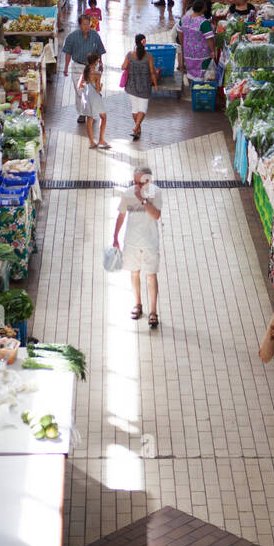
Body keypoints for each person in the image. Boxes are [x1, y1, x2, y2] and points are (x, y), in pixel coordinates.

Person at [112, 168, 162, 329]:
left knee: (151, 275)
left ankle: (153, 311)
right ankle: (138, 304)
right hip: (132, 241)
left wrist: (143, 200)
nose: (136, 186)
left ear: (148, 181)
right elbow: (121, 215)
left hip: (149, 241)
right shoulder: (128, 193)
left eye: (140, 182)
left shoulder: (156, 193)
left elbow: (156, 215)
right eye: (134, 182)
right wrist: (115, 237)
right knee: (134, 273)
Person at [62, 13, 105, 125]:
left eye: (88, 24)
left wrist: (101, 63)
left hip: (91, 68)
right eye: (84, 24)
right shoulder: (72, 37)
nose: (87, 26)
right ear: (80, 25)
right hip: (78, 67)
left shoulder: (95, 35)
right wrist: (66, 67)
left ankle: (90, 112)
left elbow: (100, 50)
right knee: (80, 91)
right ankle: (82, 113)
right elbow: (68, 53)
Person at [121, 34, 158, 141]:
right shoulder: (149, 56)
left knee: (135, 108)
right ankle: (136, 127)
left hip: (131, 85)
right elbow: (152, 72)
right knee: (143, 108)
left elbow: (123, 67)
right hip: (144, 86)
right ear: (144, 42)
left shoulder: (130, 54)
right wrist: (155, 84)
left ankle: (138, 128)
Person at [178, 0, 217, 82]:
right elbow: (209, 39)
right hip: (202, 54)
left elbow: (180, 33)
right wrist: (213, 51)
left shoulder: (184, 19)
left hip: (188, 52)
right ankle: (199, 90)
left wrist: (183, 45)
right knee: (201, 74)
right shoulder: (204, 22)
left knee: (190, 72)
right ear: (204, 8)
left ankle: (192, 89)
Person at [79, 52, 110, 149]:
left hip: (87, 96)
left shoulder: (85, 71)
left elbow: (79, 85)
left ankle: (91, 142)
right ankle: (101, 139)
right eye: (98, 60)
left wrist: (87, 86)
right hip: (95, 97)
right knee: (103, 117)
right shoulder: (97, 74)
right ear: (95, 62)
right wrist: (101, 86)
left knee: (90, 118)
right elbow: (98, 90)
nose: (99, 61)